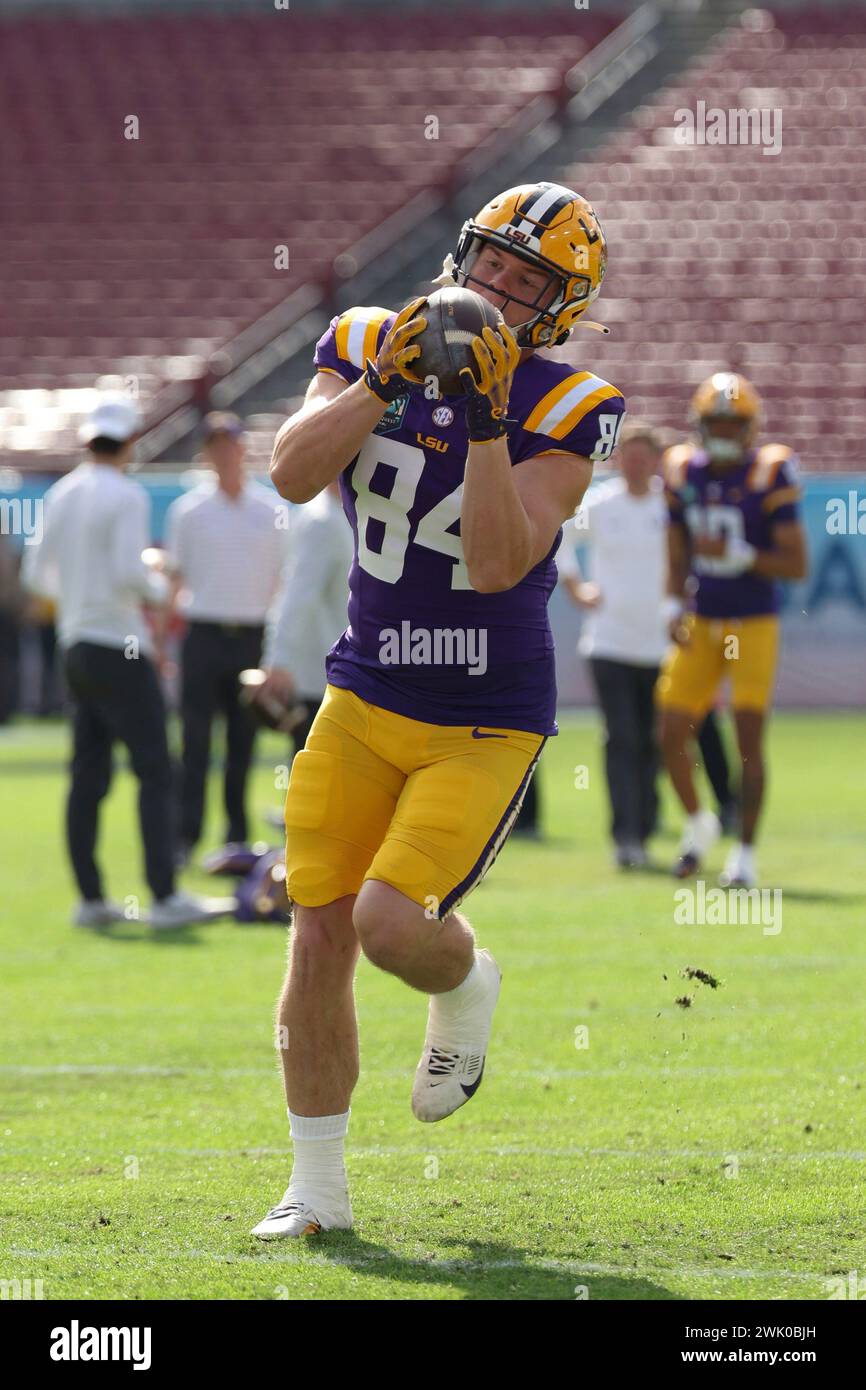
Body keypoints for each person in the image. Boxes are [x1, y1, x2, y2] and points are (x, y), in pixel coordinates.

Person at [254, 181, 625, 1239]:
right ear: (461, 258)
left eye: (527, 282)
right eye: (491, 264)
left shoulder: (569, 402)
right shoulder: (369, 335)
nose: (498, 291)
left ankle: (466, 981)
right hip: (361, 693)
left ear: (557, 309)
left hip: (482, 716)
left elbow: (500, 560)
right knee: (317, 931)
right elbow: (289, 474)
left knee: (382, 923)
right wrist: (380, 381)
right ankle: (315, 1191)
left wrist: (487, 418)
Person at [20, 396, 228, 929]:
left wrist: (79, 600)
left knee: (87, 774)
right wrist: (162, 589)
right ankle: (163, 897)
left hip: (76, 644)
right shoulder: (127, 495)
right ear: (130, 442)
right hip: (120, 645)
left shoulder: (62, 494)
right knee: (156, 768)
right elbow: (129, 574)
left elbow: (36, 578)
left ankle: (90, 899)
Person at [657, 372, 808, 887]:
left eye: (733, 422)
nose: (723, 431)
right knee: (672, 730)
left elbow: (796, 563)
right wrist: (671, 603)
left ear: (750, 427)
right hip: (701, 619)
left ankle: (744, 853)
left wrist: (745, 554)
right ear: (699, 425)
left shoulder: (770, 473)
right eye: (715, 421)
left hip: (753, 622)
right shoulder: (683, 471)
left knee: (748, 740)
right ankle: (700, 822)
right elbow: (677, 549)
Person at [164, 412, 288, 862]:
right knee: (195, 740)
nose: (222, 454)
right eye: (214, 446)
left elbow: (282, 582)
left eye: (228, 445)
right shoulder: (189, 511)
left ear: (241, 449)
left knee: (242, 740)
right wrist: (162, 643)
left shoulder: (271, 511)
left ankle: (235, 836)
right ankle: (186, 834)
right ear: (207, 454)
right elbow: (175, 582)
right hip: (204, 633)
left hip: (251, 635)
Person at [557, 423, 668, 867]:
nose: (636, 465)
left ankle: (648, 821)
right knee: (621, 737)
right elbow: (561, 539)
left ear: (657, 461)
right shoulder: (601, 505)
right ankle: (626, 835)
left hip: (660, 645)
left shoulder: (671, 507)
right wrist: (576, 588)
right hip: (608, 642)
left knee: (654, 740)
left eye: (644, 457)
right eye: (628, 456)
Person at [259, 478, 353, 760]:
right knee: (318, 776)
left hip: (339, 673)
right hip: (324, 675)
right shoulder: (321, 521)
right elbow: (298, 594)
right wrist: (280, 659)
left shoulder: (342, 514)